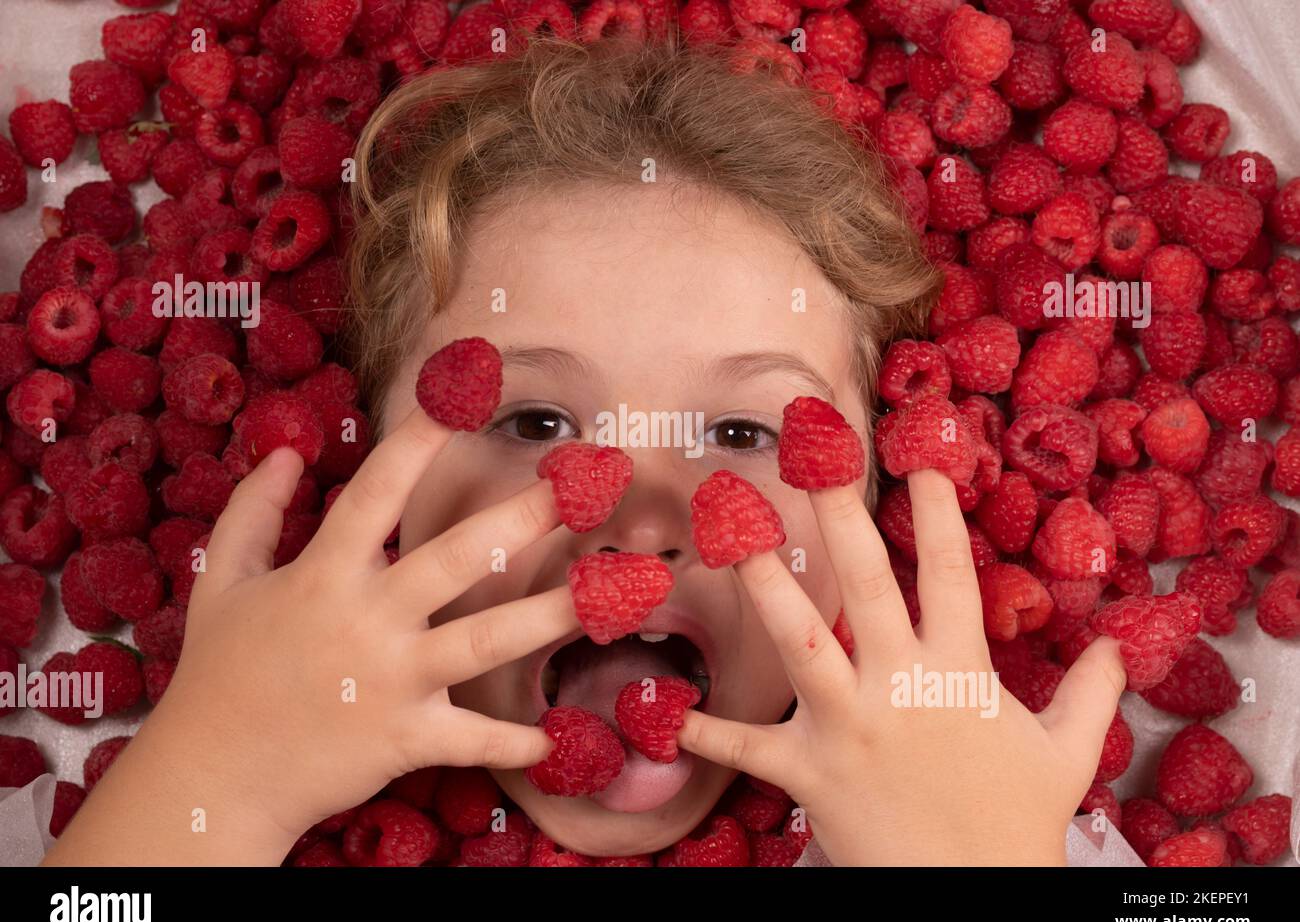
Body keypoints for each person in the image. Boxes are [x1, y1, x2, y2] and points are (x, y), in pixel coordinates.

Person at [41, 37, 1126, 867]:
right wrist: (219, 773)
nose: (640, 519)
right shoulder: (204, 788)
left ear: (872, 529)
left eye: (744, 433)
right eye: (533, 422)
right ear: (372, 478)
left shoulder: (994, 801)